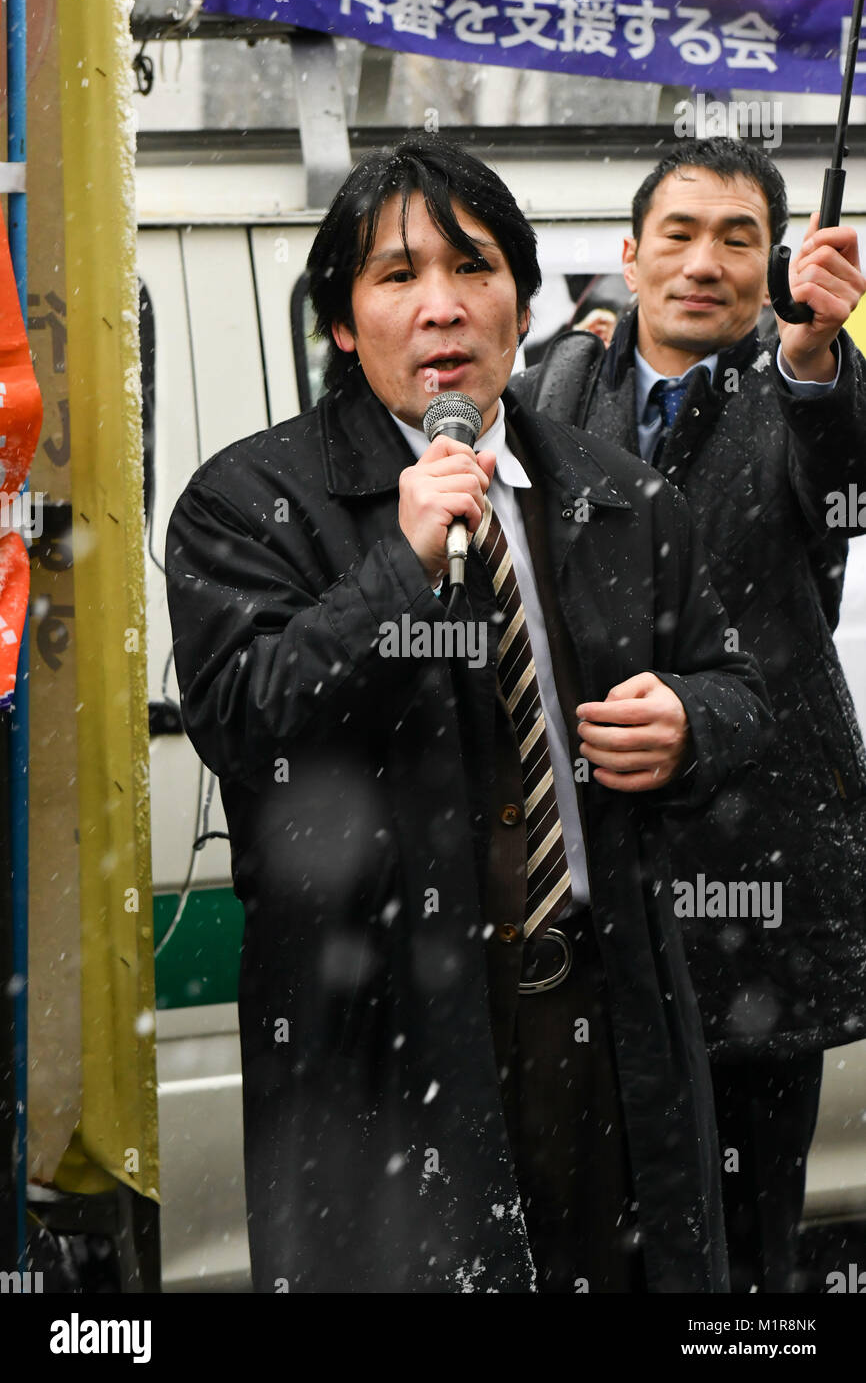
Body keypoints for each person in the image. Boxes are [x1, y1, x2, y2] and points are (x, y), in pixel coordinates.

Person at [165, 137, 771, 1294]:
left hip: (604, 1014)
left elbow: (742, 690)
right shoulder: (248, 503)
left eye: (473, 267)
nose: (440, 307)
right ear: (341, 323)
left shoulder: (620, 495)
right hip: (386, 1034)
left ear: (523, 300)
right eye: (396, 278)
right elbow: (245, 717)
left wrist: (691, 722)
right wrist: (398, 562)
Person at [513, 136, 866, 1293]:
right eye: (677, 233)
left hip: (755, 893)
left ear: (777, 266)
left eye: (738, 239)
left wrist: (817, 354)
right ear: (628, 253)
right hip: (588, 895)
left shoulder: (804, 390)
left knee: (742, 1249)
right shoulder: (563, 389)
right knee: (593, 1243)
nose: (703, 261)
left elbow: (841, 480)